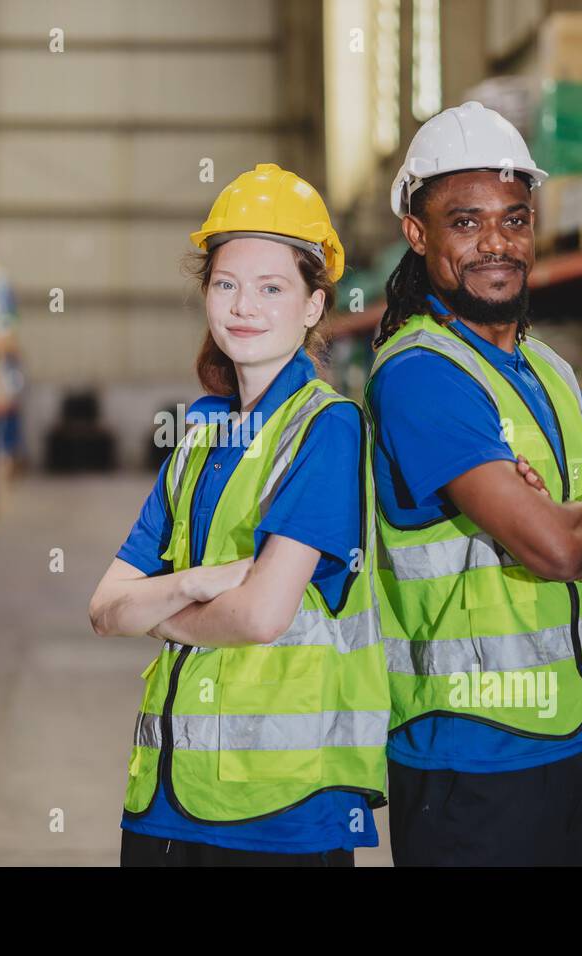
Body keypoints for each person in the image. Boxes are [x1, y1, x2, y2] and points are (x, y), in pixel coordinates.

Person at [366, 102, 582, 866]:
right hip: (469, 765)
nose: (496, 242)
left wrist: (560, 526)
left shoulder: (551, 372)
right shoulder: (422, 375)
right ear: (418, 233)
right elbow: (564, 547)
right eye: (465, 222)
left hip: (573, 738)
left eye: (514, 218)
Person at [89, 163, 391, 867]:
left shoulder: (326, 428)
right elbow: (104, 608)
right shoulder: (198, 439)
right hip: (164, 805)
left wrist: (155, 610)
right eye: (225, 284)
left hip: (277, 816)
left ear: (315, 304)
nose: (243, 306)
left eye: (272, 287)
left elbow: (261, 615)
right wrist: (198, 583)